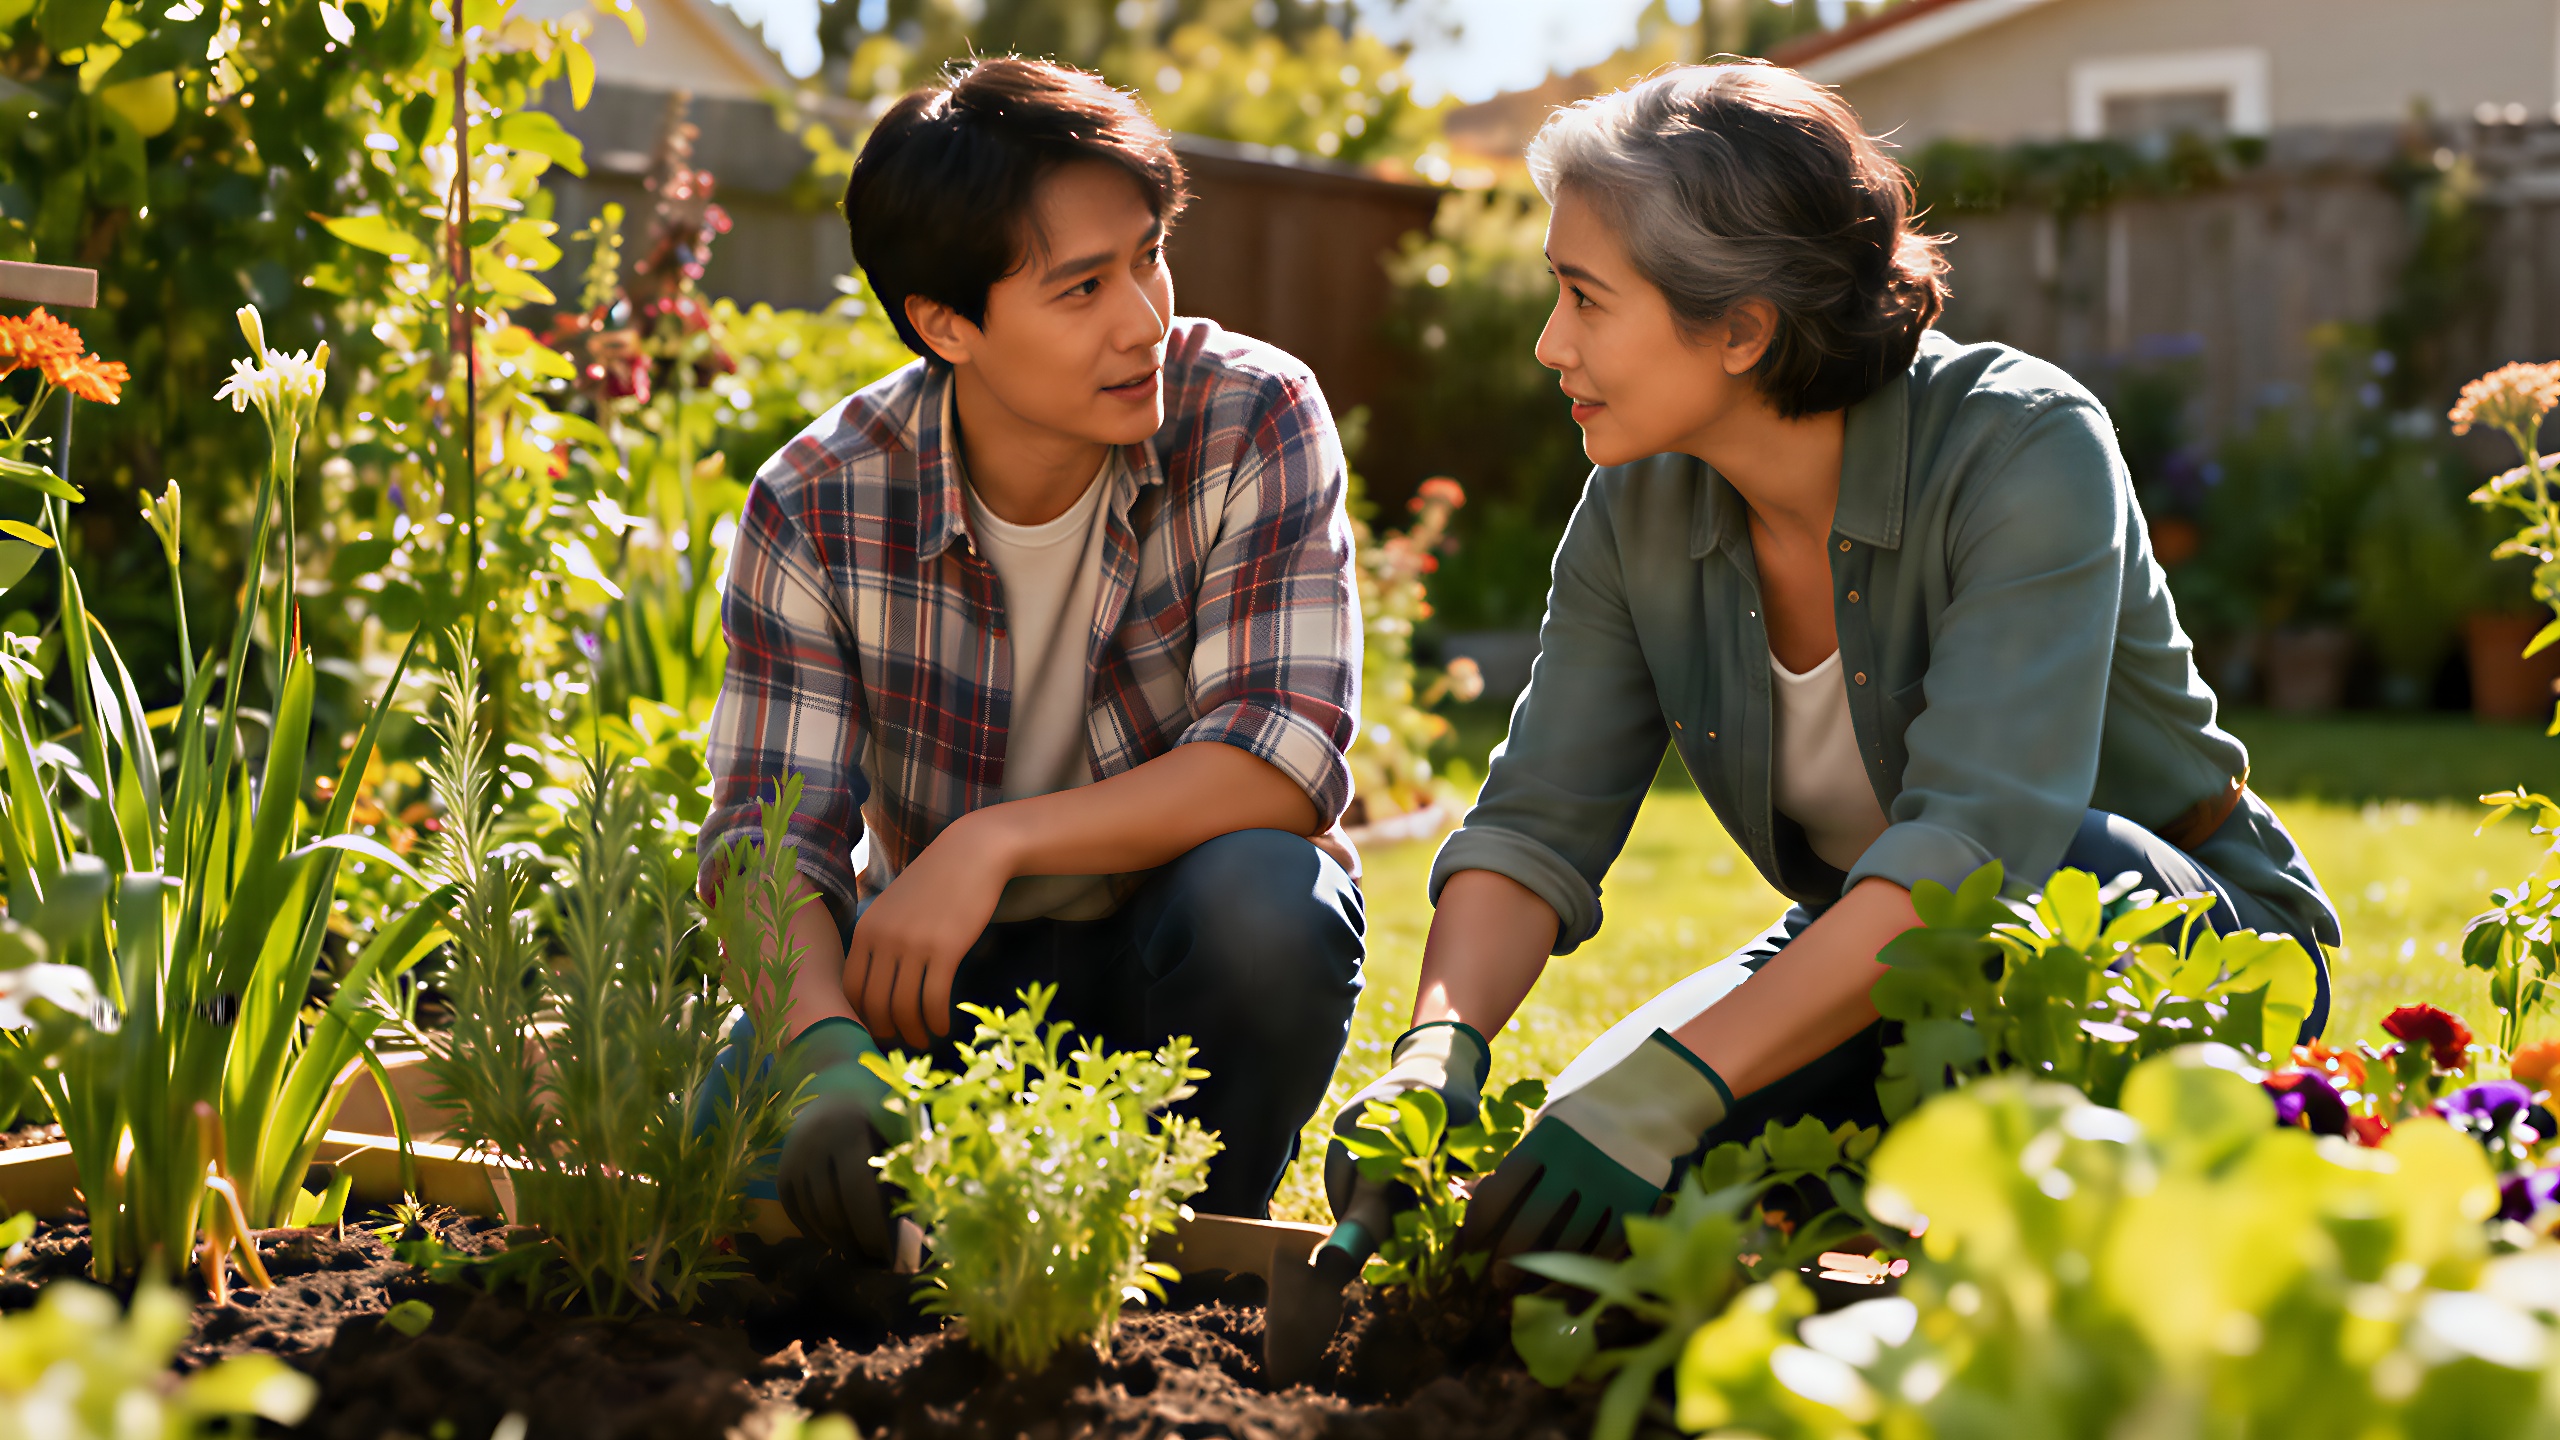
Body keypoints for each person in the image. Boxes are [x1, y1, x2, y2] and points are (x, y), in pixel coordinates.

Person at [1325, 60, 2342, 1267]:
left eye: (1585, 300)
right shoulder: (1635, 507)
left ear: (1742, 328)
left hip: (2166, 943)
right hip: (1868, 957)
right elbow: (1537, 824)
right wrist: (1437, 1049)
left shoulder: (2021, 445)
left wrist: (1679, 1089)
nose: (1551, 344)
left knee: (2050, 872)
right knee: (1570, 1202)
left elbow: (1975, 853)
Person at [698, 56, 1366, 1260]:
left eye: (1149, 256)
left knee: (1272, 907)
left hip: (1173, 961)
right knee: (734, 1177)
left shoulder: (1252, 414)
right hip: (937, 980)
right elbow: (765, 836)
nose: (1144, 319)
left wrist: (991, 842)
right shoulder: (816, 500)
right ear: (945, 324)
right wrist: (824, 1048)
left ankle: (1194, 1247)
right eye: (1083, 287)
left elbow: (1282, 762)